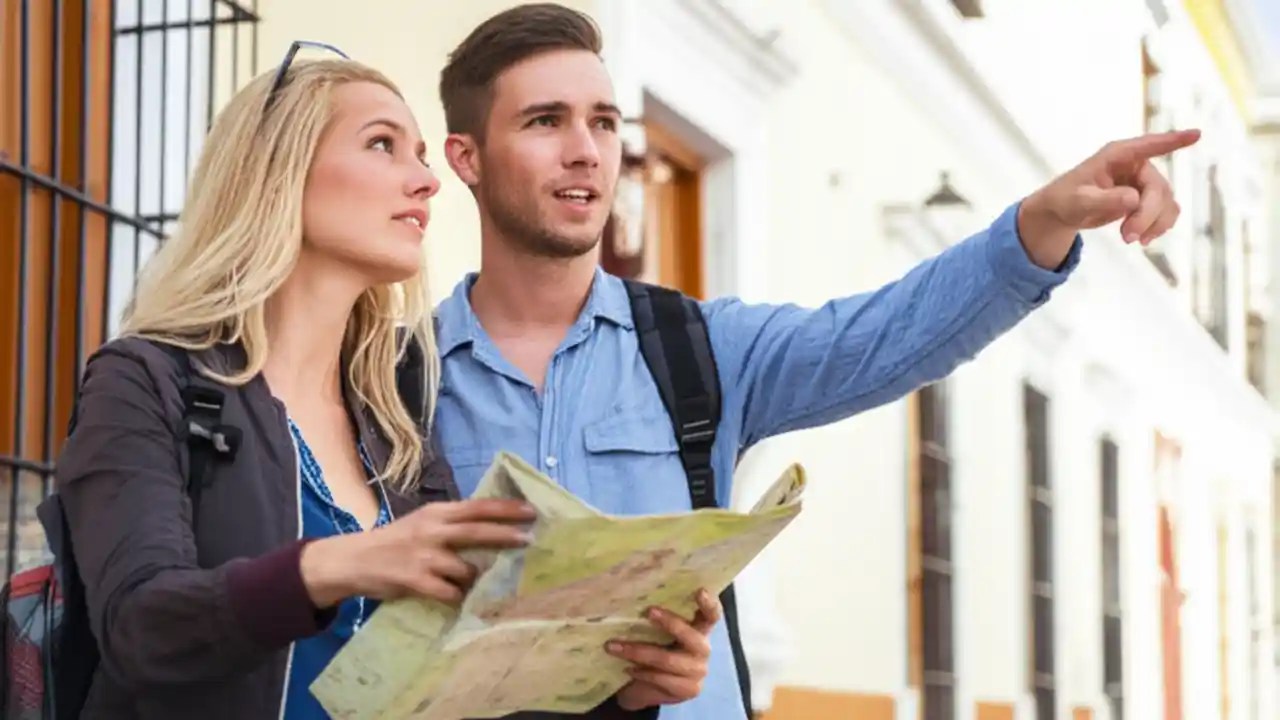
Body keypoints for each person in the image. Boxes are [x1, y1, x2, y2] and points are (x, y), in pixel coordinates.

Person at [432, 4, 1199, 719]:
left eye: (602, 122)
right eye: (545, 121)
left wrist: (1042, 222)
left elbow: (885, 337)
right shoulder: (395, 382)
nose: (585, 151)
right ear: (466, 158)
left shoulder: (696, 350)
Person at [51, 44, 700, 720]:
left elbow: (466, 684)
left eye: (421, 155)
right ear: (280, 172)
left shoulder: (393, 426)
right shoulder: (147, 380)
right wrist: (341, 565)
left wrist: (622, 693)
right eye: (383, 144)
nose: (425, 181)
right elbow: (142, 627)